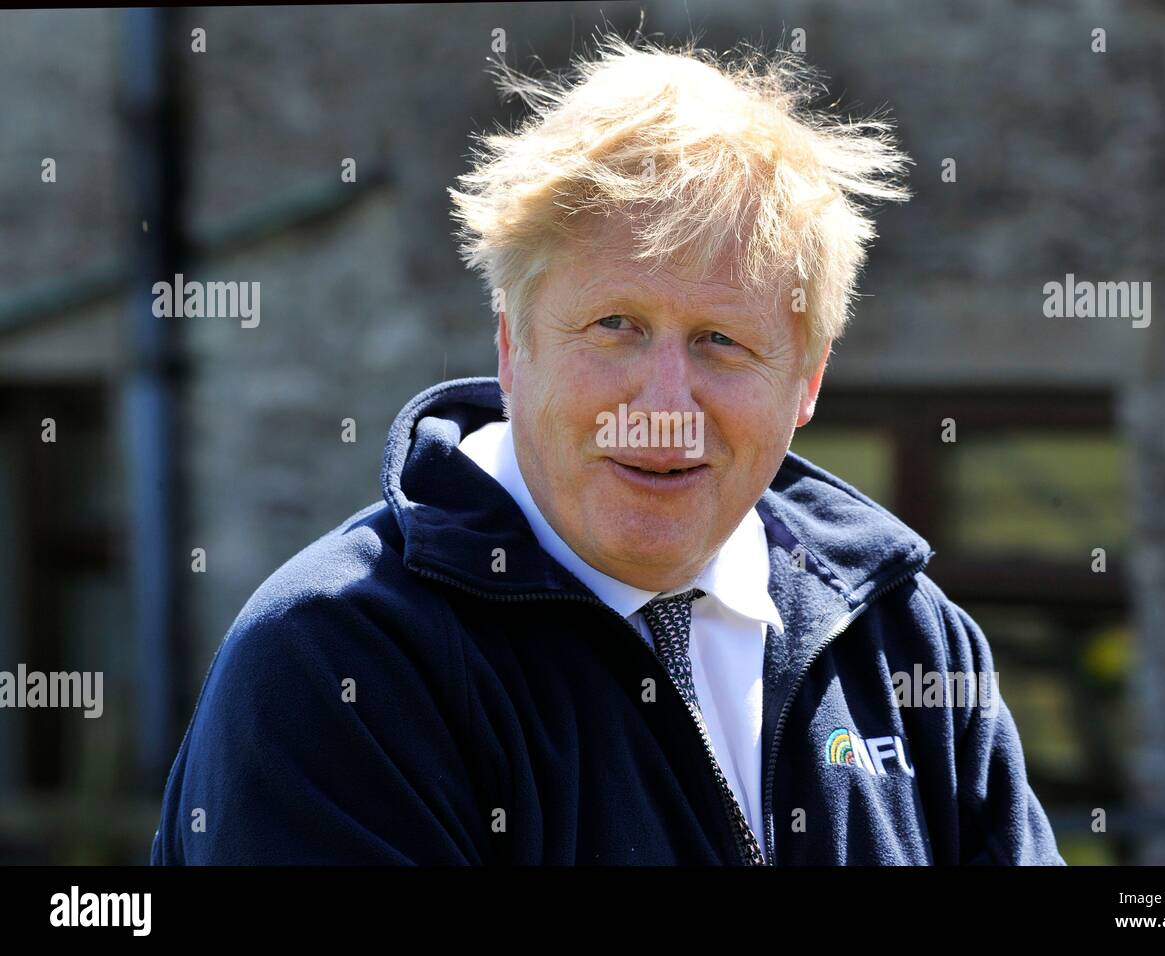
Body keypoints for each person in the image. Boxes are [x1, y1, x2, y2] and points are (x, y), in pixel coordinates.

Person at [151, 33, 1064, 865]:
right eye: (615, 326)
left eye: (721, 341)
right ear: (513, 346)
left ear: (808, 380)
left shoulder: (907, 640)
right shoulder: (337, 661)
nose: (664, 405)